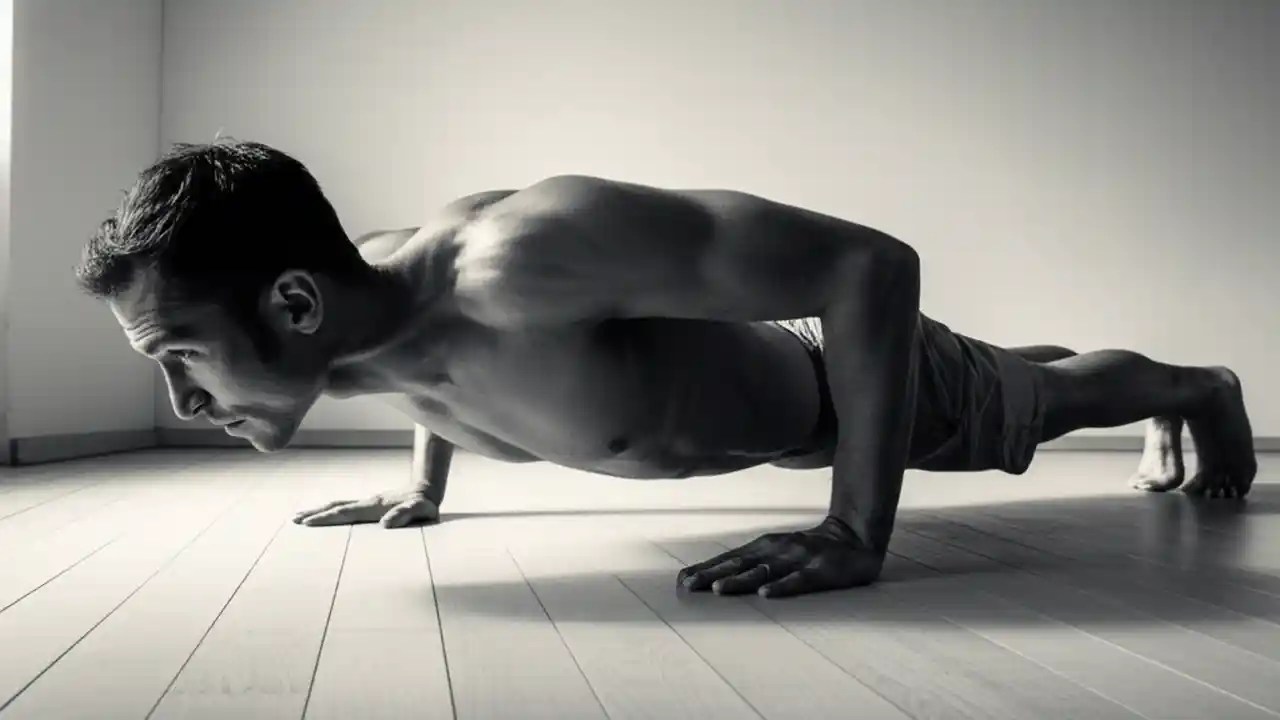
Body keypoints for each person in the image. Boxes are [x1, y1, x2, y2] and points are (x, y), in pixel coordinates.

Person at [78, 138, 1257, 599]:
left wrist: (854, 531)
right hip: (761, 407)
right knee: (1025, 377)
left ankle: (1198, 387)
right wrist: (425, 487)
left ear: (291, 300)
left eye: (182, 358)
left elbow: (868, 267)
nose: (182, 402)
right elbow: (419, 366)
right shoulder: (331, 337)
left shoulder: (527, 255)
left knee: (1041, 403)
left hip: (823, 390)